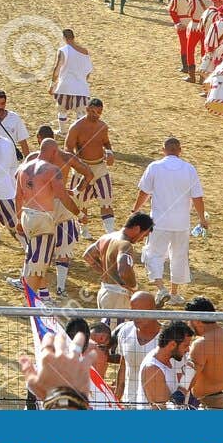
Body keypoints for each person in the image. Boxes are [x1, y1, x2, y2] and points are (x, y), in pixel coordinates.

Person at [132, 136, 207, 301]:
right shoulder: (189, 169)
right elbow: (197, 198)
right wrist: (202, 219)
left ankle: (161, 287)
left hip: (159, 222)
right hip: (181, 223)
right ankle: (174, 293)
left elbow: (144, 192)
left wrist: (135, 209)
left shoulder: (155, 167)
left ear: (163, 150)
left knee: (153, 254)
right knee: (179, 256)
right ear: (179, 151)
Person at [13, 138, 80, 298]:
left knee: (36, 258)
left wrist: (18, 220)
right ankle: (27, 305)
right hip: (42, 219)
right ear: (54, 152)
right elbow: (63, 197)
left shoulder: (23, 168)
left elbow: (17, 196)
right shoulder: (52, 170)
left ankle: (43, 297)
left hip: (26, 215)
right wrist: (79, 213)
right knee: (38, 265)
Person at [63, 98, 117, 232]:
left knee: (106, 200)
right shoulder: (76, 127)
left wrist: (109, 152)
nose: (96, 115)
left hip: (100, 167)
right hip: (82, 168)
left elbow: (106, 142)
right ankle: (84, 229)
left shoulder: (102, 126)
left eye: (99, 112)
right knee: (81, 202)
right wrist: (78, 165)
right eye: (93, 111)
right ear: (87, 110)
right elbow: (68, 149)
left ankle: (110, 232)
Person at [81, 213, 154, 310]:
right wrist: (134, 288)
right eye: (144, 235)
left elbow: (88, 255)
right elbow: (124, 271)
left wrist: (106, 272)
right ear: (137, 228)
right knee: (118, 325)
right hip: (117, 297)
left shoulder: (106, 237)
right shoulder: (125, 244)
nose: (141, 240)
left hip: (104, 291)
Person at [112, 291, 162, 406]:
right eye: (134, 310)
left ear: (154, 310)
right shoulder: (125, 331)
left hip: (156, 406)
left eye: (142, 311)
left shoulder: (168, 338)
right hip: (129, 402)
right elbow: (123, 366)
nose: (136, 316)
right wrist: (117, 398)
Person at [140, 321, 196, 409]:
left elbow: (172, 390)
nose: (188, 350)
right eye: (185, 346)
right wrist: (185, 384)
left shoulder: (168, 361)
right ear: (172, 345)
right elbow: (163, 408)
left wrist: (188, 379)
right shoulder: (152, 369)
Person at [50, 29, 93, 132]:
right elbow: (88, 72)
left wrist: (52, 85)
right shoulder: (84, 52)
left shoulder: (63, 50)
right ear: (73, 37)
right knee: (80, 113)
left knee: (62, 110)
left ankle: (63, 131)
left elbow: (57, 68)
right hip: (81, 87)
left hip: (65, 85)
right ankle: (79, 133)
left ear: (64, 38)